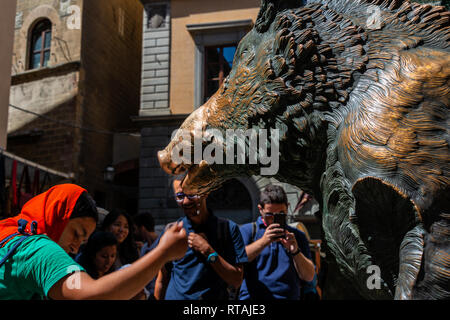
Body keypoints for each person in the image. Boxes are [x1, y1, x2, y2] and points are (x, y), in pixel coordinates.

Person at [0, 183, 187, 300]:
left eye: (82, 241)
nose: (75, 247)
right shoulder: (39, 250)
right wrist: (163, 253)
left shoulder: (9, 234)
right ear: (58, 216)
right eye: (75, 233)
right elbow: (92, 295)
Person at [153, 177, 248, 300]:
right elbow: (161, 280)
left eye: (191, 194)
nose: (186, 201)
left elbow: (236, 280)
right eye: (180, 196)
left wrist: (208, 251)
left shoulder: (228, 229)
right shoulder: (172, 232)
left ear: (206, 192)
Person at [238, 184, 316, 300]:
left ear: (287, 207)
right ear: (260, 209)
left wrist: (295, 251)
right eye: (269, 215)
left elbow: (309, 276)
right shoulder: (248, 231)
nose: (274, 219)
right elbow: (237, 260)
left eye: (280, 214)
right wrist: (264, 241)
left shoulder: (297, 235)